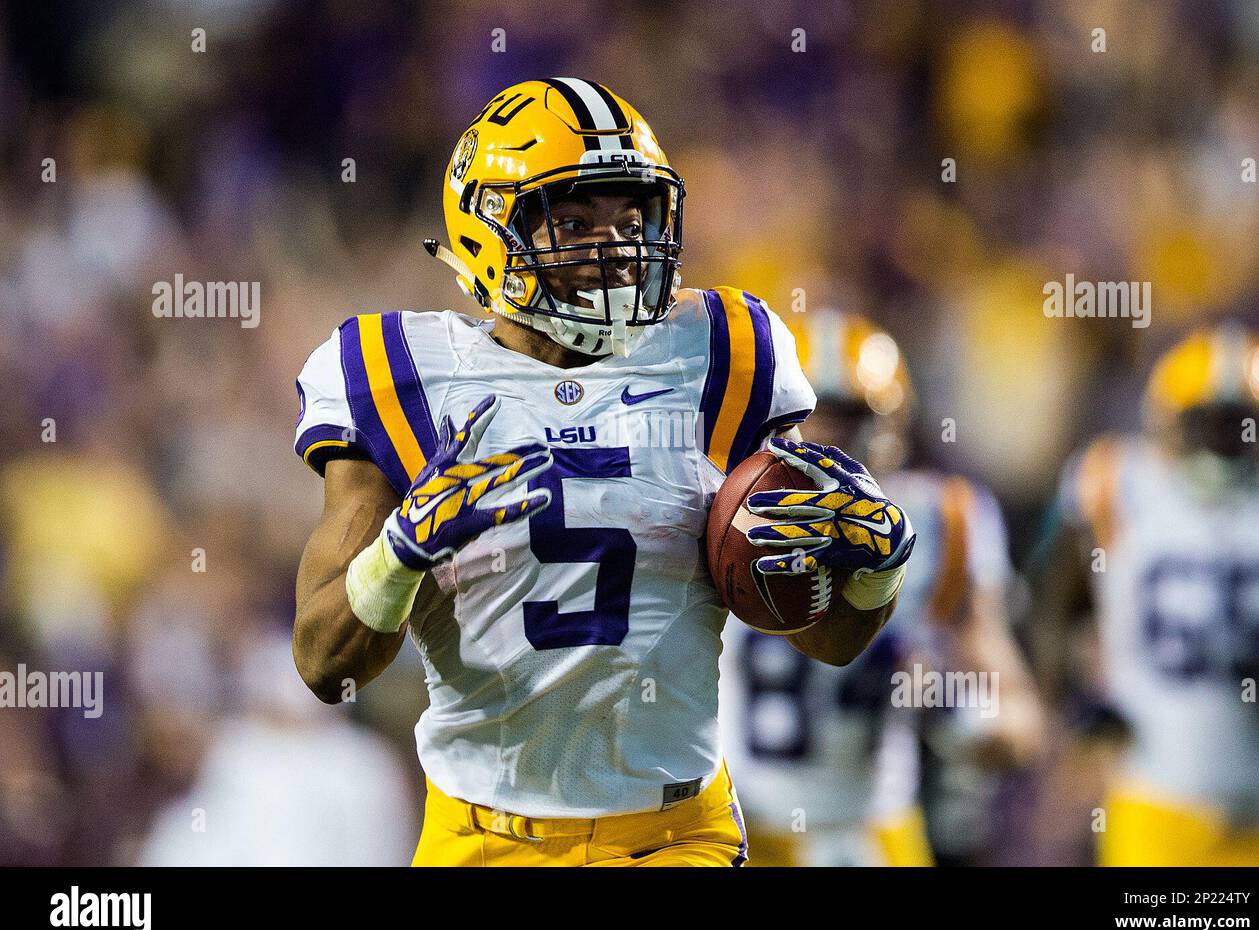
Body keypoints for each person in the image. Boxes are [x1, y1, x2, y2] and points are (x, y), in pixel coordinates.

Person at [289, 79, 914, 866]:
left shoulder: (725, 351)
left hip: (674, 836)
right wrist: (398, 555)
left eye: (631, 219)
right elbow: (323, 666)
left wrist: (872, 576)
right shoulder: (398, 373)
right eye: (575, 221)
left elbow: (825, 638)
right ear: (491, 229)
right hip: (482, 839)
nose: (613, 247)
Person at [719, 312, 1042, 866]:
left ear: (894, 427)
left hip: (875, 834)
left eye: (851, 418)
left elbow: (1018, 718)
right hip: (745, 831)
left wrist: (962, 712)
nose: (828, 439)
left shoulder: (943, 519)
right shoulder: (722, 514)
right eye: (811, 416)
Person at [1033, 325, 1259, 865]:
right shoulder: (1115, 483)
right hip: (1156, 796)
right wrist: (1079, 703)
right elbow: (1056, 607)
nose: (1225, 443)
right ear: (1167, 423)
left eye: (1240, 427)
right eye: (1209, 426)